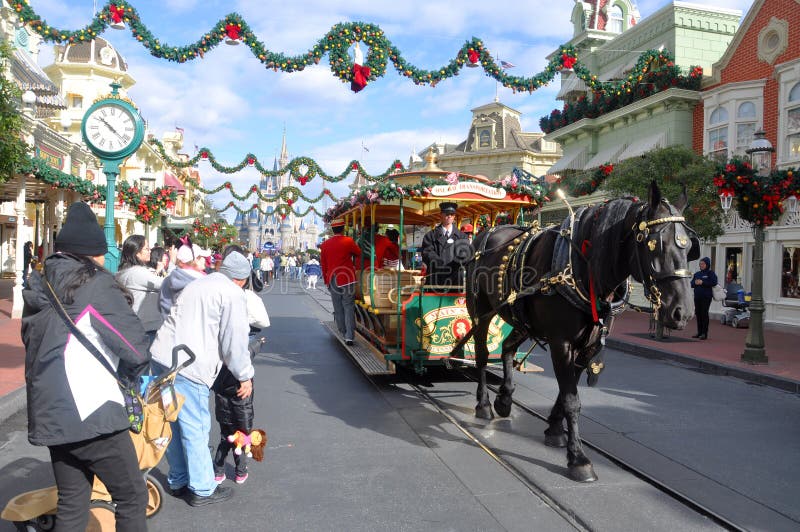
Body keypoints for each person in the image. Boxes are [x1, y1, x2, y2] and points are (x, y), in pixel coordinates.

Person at [21, 202, 150, 531]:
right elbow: (135, 349)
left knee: (73, 501)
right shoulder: (93, 284)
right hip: (91, 409)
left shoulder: (40, 283)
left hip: (50, 409)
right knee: (133, 495)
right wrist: (127, 379)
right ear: (93, 252)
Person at [150, 251, 254, 506]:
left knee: (171, 423)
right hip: (189, 364)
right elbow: (235, 342)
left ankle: (178, 480)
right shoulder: (233, 294)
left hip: (162, 357)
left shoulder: (198, 283)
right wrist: (245, 376)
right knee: (195, 427)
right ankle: (202, 487)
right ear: (241, 279)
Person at [211, 248, 270, 486]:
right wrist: (257, 345)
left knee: (226, 428)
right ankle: (240, 468)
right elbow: (240, 353)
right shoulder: (243, 298)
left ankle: (218, 466)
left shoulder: (212, 294)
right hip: (239, 382)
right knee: (243, 429)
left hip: (218, 379)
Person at [320, 219, 361, 345]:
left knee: (338, 307)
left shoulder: (325, 244)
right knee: (348, 307)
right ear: (343, 229)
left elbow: (324, 265)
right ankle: (349, 336)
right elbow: (358, 253)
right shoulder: (348, 241)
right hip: (347, 277)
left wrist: (327, 281)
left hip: (333, 278)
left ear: (332, 230)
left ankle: (343, 331)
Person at [116, 235, 164, 344]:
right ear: (137, 253)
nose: (150, 251)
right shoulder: (137, 272)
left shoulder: (126, 271)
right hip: (146, 327)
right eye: (147, 248)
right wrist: (172, 264)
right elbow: (166, 285)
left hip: (136, 325)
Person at [421, 202, 470, 288]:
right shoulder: (430, 236)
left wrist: (455, 263)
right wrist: (440, 263)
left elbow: (464, 254)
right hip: (435, 280)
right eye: (447, 214)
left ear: (454, 216)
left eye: (452, 214)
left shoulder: (462, 237)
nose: (449, 216)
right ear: (441, 215)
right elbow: (427, 253)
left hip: (455, 281)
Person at [159, 244, 207, 318]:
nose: (204, 259)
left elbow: (161, 305)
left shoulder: (168, 279)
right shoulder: (202, 282)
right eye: (200, 257)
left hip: (169, 325)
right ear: (195, 260)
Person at [691, 256, 718, 340]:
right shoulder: (697, 274)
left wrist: (703, 282)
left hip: (706, 297)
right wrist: (695, 282)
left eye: (703, 264)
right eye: (700, 264)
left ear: (707, 264)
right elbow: (691, 284)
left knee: (704, 314)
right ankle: (699, 332)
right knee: (698, 314)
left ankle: (704, 333)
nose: (701, 265)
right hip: (697, 297)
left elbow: (714, 282)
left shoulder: (710, 273)